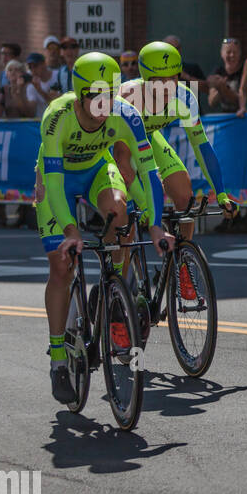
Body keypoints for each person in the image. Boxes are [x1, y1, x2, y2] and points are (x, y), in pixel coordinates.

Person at [35, 52, 168, 405]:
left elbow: (150, 171)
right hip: (56, 179)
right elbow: (52, 178)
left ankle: (112, 287)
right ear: (80, 96)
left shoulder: (126, 115)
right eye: (97, 98)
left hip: (96, 170)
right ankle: (59, 359)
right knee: (61, 265)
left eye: (110, 95)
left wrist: (156, 227)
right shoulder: (57, 117)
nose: (105, 105)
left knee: (119, 210)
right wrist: (70, 231)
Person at [116, 40, 236, 266]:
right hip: (122, 148)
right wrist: (144, 205)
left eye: (172, 78)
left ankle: (183, 265)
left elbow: (202, 147)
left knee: (185, 198)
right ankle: (120, 289)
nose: (167, 86)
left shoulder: (184, 96)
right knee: (126, 231)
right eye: (159, 80)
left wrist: (220, 194)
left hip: (150, 140)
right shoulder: (127, 98)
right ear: (145, 77)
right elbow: (122, 160)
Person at [205, 37, 245, 113]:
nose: (232, 55)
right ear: (222, 53)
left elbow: (240, 101)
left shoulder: (245, 71)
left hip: (243, 117)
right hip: (225, 117)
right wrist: (217, 89)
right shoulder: (218, 71)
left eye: (235, 52)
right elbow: (212, 103)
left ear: (240, 54)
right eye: (228, 52)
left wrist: (224, 88)